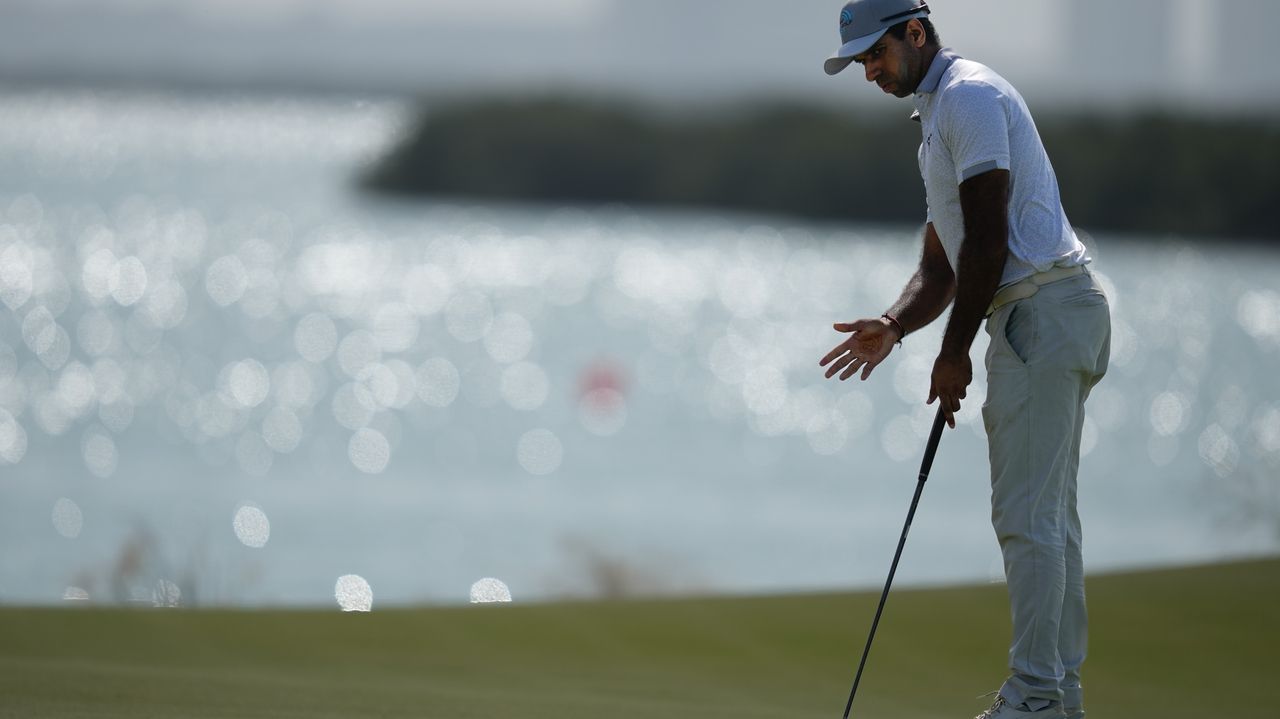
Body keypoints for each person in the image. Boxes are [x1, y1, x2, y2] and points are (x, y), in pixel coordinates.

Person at [817, 2, 1112, 718]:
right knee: (1049, 518)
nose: (871, 72)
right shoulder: (940, 120)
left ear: (915, 32)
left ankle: (1036, 698)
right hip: (1050, 311)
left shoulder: (969, 97)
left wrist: (955, 353)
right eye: (861, 63)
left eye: (876, 54)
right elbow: (942, 263)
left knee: (1027, 519)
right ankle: (1058, 697)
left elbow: (989, 241)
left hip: (1040, 310)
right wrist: (894, 324)